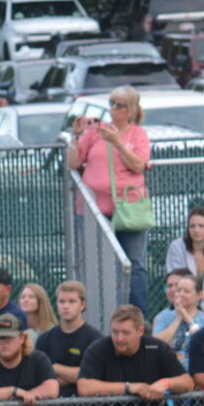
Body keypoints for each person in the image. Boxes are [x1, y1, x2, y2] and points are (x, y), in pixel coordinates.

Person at [67, 87, 152, 311]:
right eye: (112, 103)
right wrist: (75, 136)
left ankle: (137, 316)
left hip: (128, 208)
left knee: (134, 264)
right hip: (94, 210)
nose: (113, 108)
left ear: (131, 109)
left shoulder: (138, 134)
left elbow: (138, 165)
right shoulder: (96, 132)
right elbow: (74, 163)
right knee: (97, 266)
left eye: (120, 105)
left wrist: (118, 142)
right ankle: (99, 313)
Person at [36, 281, 101, 406]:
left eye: (71, 301)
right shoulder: (45, 339)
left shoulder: (94, 338)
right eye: (62, 301)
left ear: (82, 304)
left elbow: (89, 377)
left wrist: (54, 368)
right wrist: (70, 376)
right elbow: (40, 375)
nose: (65, 306)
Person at [164, 207, 204, 299]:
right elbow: (176, 278)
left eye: (201, 226)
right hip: (182, 296)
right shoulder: (177, 246)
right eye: (192, 226)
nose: (196, 230)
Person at [153, 268, 204, 356]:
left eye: (186, 291)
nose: (180, 294)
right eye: (179, 290)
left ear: (199, 295)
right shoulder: (164, 316)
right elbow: (156, 346)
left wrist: (186, 317)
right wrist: (178, 319)